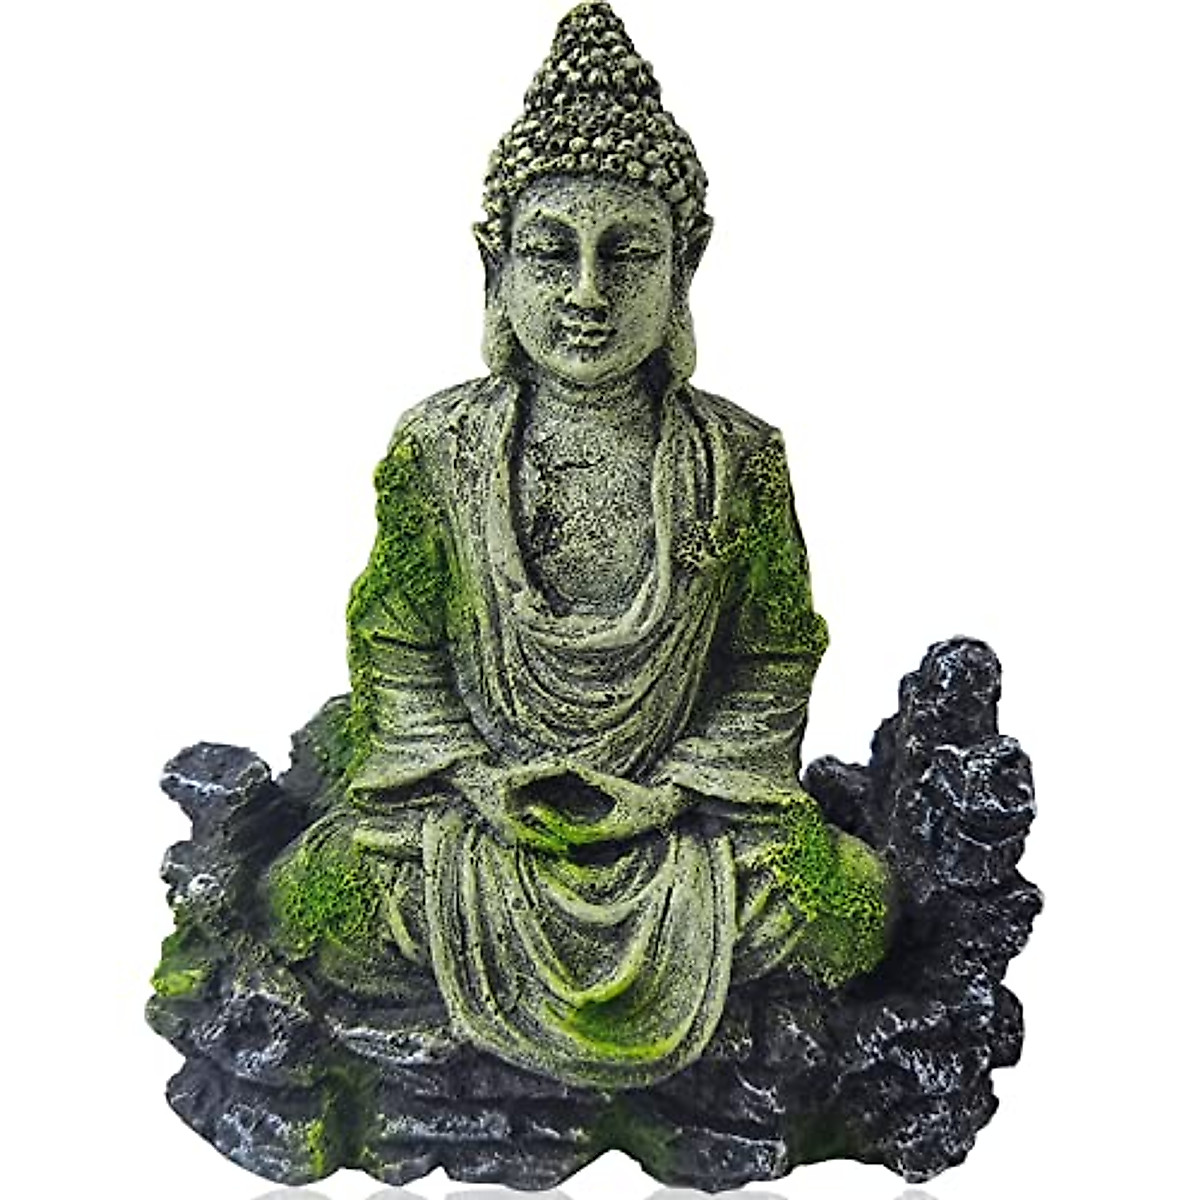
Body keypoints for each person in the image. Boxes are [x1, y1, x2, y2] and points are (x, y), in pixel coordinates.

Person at [267, 0, 892, 1092]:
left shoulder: (738, 457)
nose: (588, 294)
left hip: (680, 830)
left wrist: (676, 790)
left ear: (685, 266)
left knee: (845, 907)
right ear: (494, 265)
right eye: (551, 252)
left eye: (628, 253)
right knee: (321, 896)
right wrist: (475, 779)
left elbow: (770, 658)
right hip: (479, 826)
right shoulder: (439, 448)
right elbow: (399, 648)